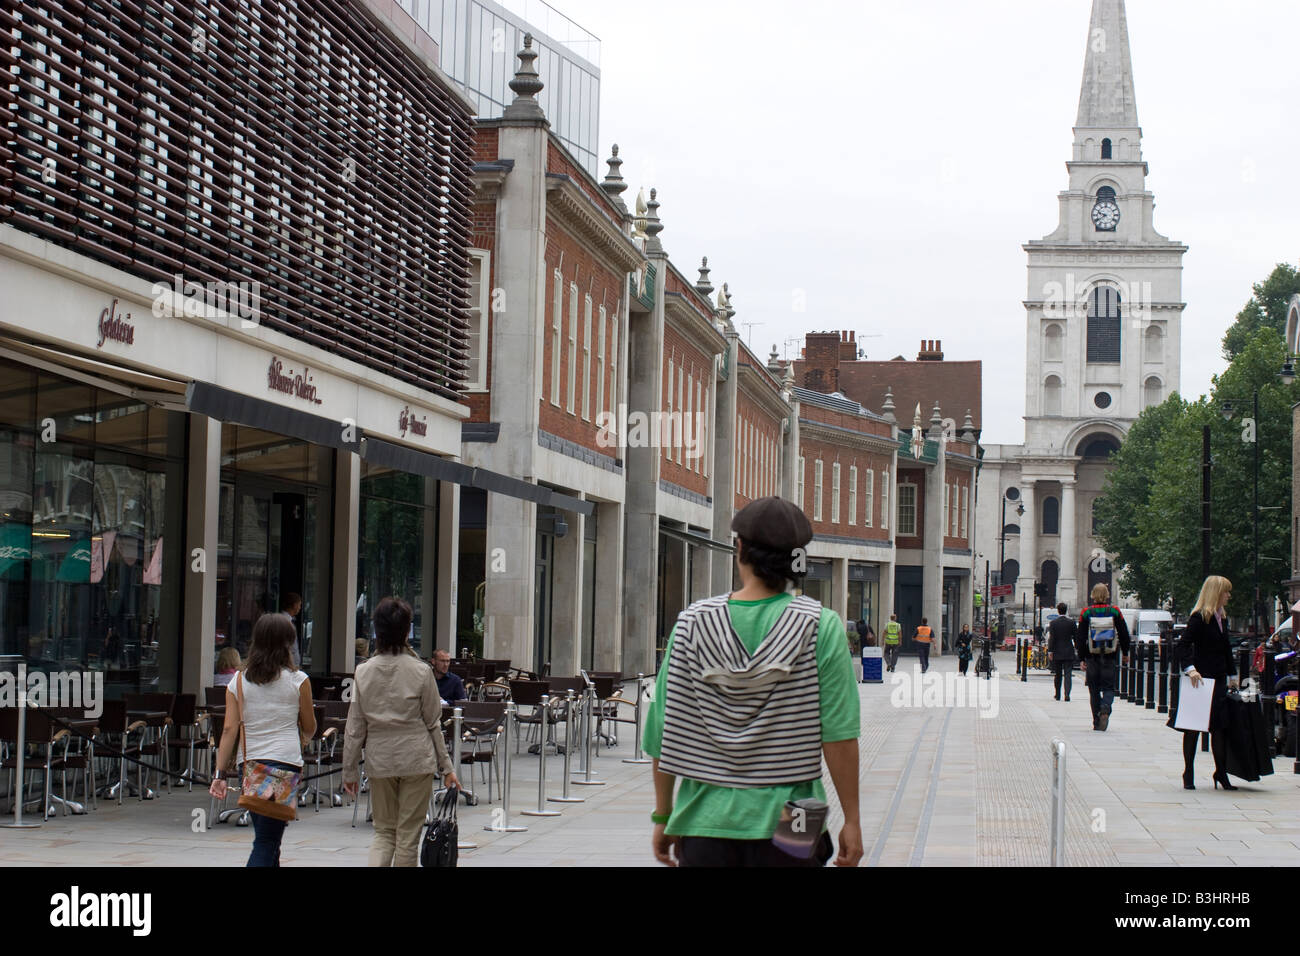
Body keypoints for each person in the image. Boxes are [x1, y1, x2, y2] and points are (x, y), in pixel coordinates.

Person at [644, 496, 862, 868]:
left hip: (705, 817)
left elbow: (664, 730)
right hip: (798, 812)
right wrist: (852, 820)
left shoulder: (693, 623)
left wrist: (664, 814)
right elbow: (838, 735)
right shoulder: (820, 625)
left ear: (739, 548)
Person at [342, 597, 461, 866]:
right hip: (416, 758)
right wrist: (447, 767)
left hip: (380, 759)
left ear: (377, 631)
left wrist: (348, 769)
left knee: (384, 833)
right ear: (407, 631)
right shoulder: (421, 671)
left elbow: (355, 727)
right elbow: (433, 724)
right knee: (408, 837)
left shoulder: (363, 672)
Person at [209, 613, 315, 867]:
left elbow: (229, 730)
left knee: (268, 838)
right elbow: (310, 726)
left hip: (251, 766)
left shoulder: (238, 682)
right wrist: (302, 737)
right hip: (286, 764)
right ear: (287, 644)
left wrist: (219, 774)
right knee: (267, 841)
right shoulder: (299, 681)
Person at [1174, 575, 1239, 790]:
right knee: (1193, 728)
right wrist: (1191, 669)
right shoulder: (1199, 618)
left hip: (1218, 679)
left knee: (1219, 728)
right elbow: (1183, 646)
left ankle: (1220, 773)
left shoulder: (1222, 619)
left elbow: (1226, 650)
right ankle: (1188, 772)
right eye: (1226, 592)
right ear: (1216, 593)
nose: (1229, 595)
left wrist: (1232, 675)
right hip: (1200, 681)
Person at [1075, 583, 1131, 731]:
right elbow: (1124, 634)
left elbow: (1080, 637)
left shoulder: (1086, 612)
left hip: (1092, 656)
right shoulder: (1115, 611)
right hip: (1110, 655)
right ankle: (1105, 706)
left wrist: (1081, 658)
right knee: (1109, 687)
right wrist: (1125, 653)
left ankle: (1096, 721)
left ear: (1092, 595)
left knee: (1093, 690)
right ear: (1107, 594)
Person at [1046, 602, 1078, 701]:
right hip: (1068, 650)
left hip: (1057, 651)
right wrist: (1077, 648)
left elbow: (1052, 638)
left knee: (1058, 674)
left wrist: (1050, 651)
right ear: (1066, 610)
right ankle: (1067, 694)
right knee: (1068, 674)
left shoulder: (1053, 623)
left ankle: (1058, 694)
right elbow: (1076, 637)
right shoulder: (1072, 622)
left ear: (1058, 610)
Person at [281, 593, 304, 668]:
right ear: (294, 605)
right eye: (299, 605)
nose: (300, 608)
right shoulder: (285, 622)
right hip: (288, 667)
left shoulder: (289, 621)